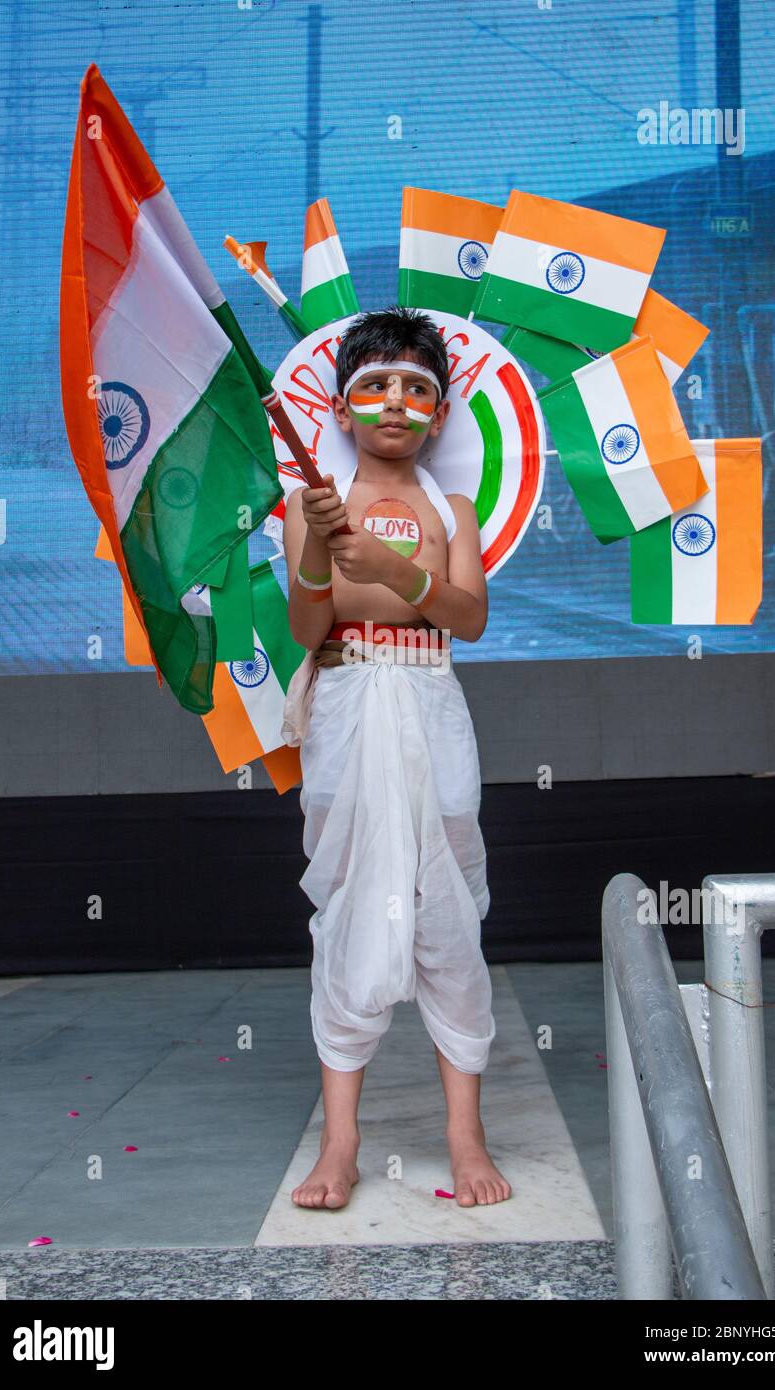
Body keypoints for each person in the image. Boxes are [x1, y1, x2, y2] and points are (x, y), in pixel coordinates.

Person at [281, 305, 511, 1211]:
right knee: (347, 906)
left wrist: (386, 563)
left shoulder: (451, 507)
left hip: (430, 704)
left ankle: (466, 1135)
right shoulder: (312, 506)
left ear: (440, 416)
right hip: (346, 704)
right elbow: (309, 625)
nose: (394, 403)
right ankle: (342, 1142)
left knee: (450, 903)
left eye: (417, 389)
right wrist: (321, 555)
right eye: (373, 386)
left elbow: (468, 618)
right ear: (341, 411)